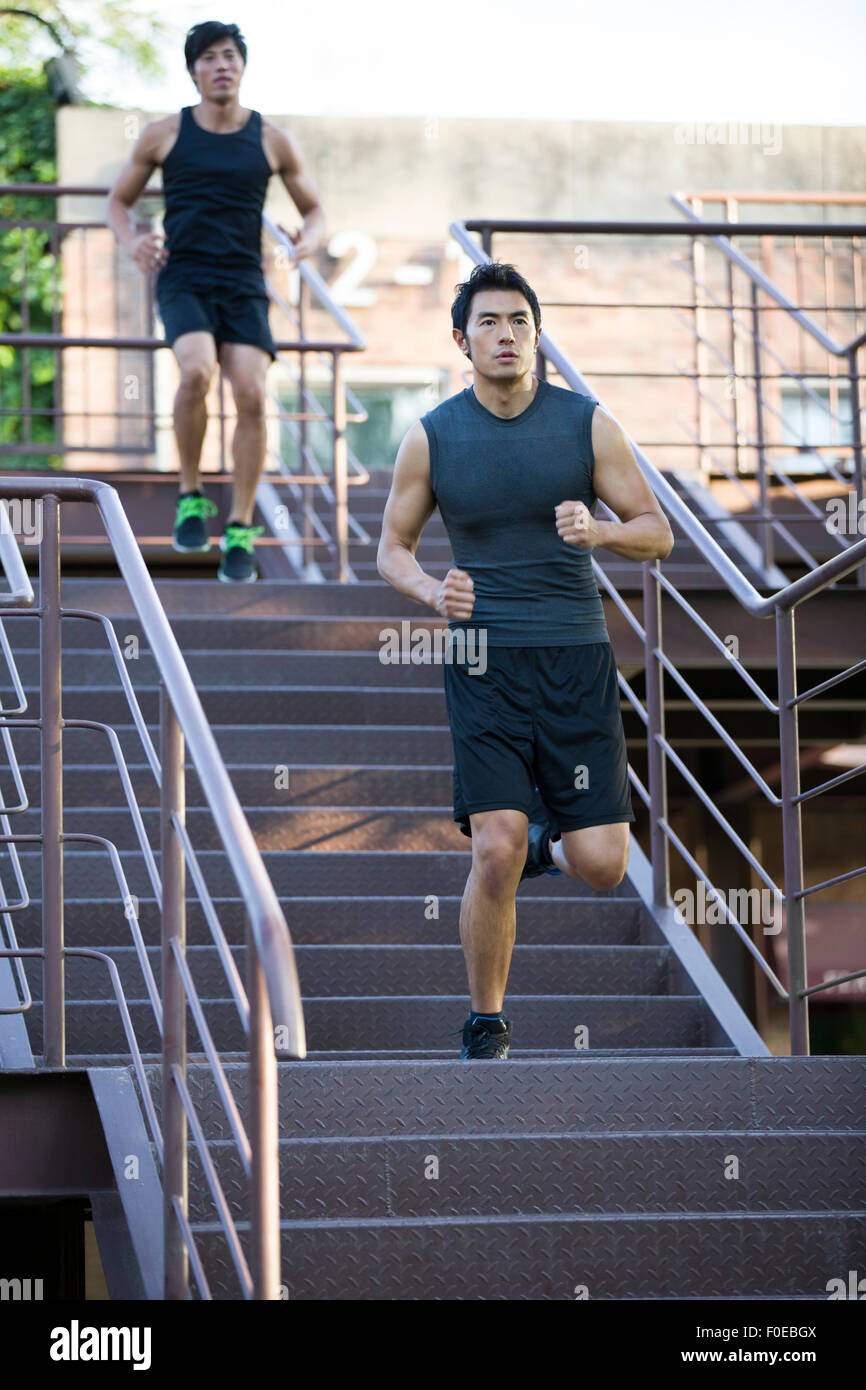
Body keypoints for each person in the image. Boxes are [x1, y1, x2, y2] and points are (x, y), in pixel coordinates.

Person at [377, 261, 674, 1059]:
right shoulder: (433, 434)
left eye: (518, 322)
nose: (505, 336)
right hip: (483, 661)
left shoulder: (587, 425)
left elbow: (658, 531)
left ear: (537, 336)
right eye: (489, 323)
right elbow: (391, 551)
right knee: (494, 844)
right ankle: (486, 1021)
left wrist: (604, 532)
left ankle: (548, 842)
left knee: (605, 864)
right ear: (461, 340)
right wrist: (434, 592)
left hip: (575, 658)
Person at [107, 20, 326, 582]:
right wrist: (133, 241)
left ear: (242, 67)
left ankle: (241, 526)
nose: (222, 65)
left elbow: (316, 211)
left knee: (252, 393)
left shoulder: (272, 139)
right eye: (209, 57)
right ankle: (190, 494)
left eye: (230, 56)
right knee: (196, 372)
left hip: (243, 284)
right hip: (184, 277)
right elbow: (118, 201)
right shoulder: (163, 133)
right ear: (193, 70)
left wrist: (310, 242)